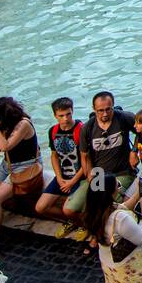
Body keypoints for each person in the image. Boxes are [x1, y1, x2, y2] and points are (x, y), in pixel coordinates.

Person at [0, 97, 40, 251]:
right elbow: (0, 144)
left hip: (24, 167)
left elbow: (6, 146)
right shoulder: (6, 124)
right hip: (8, 164)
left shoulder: (23, 124)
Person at [34, 97, 87, 234]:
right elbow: (54, 155)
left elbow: (87, 160)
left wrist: (72, 182)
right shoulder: (53, 131)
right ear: (55, 116)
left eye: (68, 114)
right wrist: (58, 177)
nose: (65, 119)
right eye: (61, 116)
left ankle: (85, 224)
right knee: (40, 207)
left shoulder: (81, 130)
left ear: (72, 111)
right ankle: (73, 221)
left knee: (68, 209)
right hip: (63, 175)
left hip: (80, 176)